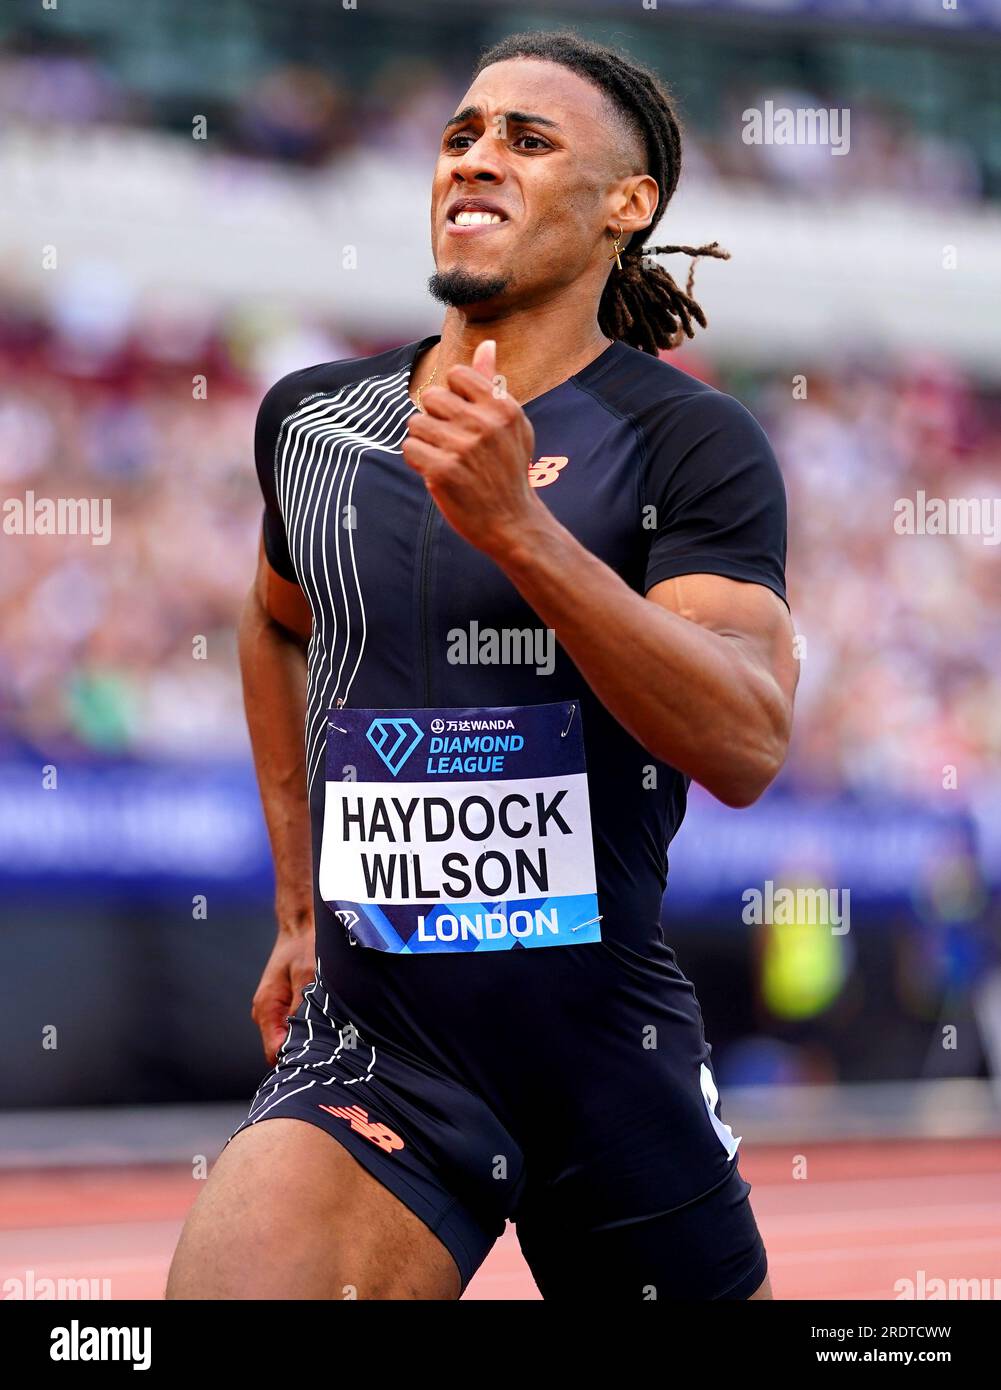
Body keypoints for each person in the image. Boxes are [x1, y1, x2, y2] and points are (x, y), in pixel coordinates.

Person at [167, 28, 798, 1301]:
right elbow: (277, 618)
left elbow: (744, 740)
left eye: (525, 138)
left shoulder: (689, 440)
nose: (475, 158)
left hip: (600, 1049)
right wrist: (298, 910)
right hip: (375, 1044)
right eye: (460, 134)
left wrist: (520, 530)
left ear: (628, 205)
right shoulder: (314, 420)